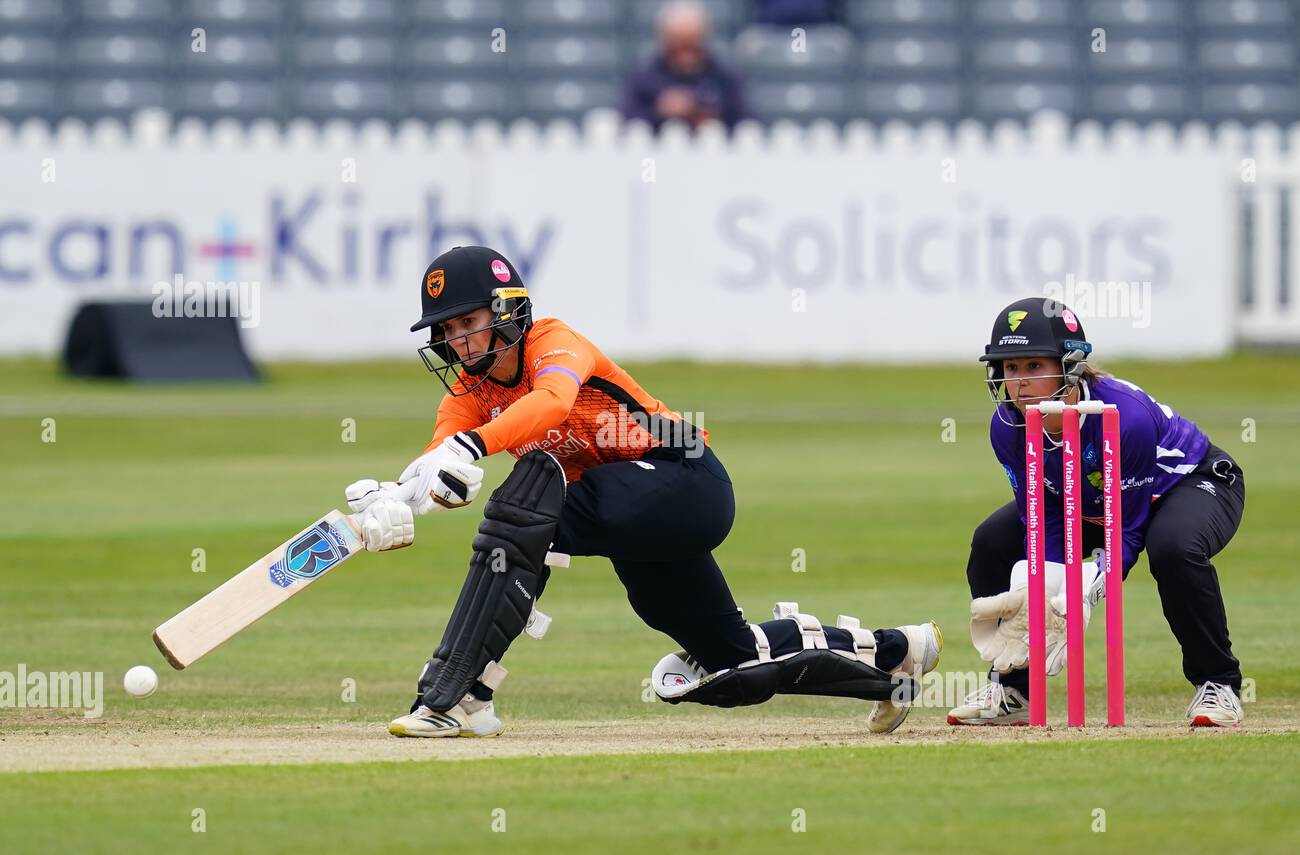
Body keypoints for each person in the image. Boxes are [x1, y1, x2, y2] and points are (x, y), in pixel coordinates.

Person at [343, 244, 941, 738]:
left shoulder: (555, 342)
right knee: (731, 661)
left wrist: (474, 449)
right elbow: (436, 460)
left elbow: (548, 403)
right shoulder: (465, 398)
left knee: (528, 503)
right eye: (449, 330)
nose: (463, 342)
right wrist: (397, 498)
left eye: (471, 323)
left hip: (684, 477)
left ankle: (460, 692)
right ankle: (895, 656)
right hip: (632, 517)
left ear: (508, 313)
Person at [950, 297, 1247, 728]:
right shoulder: (1007, 427)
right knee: (993, 542)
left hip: (1189, 484)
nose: (1020, 383)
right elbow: (1044, 512)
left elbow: (1128, 532)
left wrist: (1086, 586)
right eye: (1011, 369)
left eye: (1035, 367)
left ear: (1070, 366)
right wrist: (1051, 584)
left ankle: (1219, 683)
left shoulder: (1124, 419)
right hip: (1089, 502)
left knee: (1172, 547)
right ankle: (1015, 689)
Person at [621, 1, 747, 131]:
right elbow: (625, 119)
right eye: (678, 42)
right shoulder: (644, 78)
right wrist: (659, 111)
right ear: (664, 40)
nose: (685, 53)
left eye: (692, 42)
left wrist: (710, 115)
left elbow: (745, 122)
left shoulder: (724, 77)